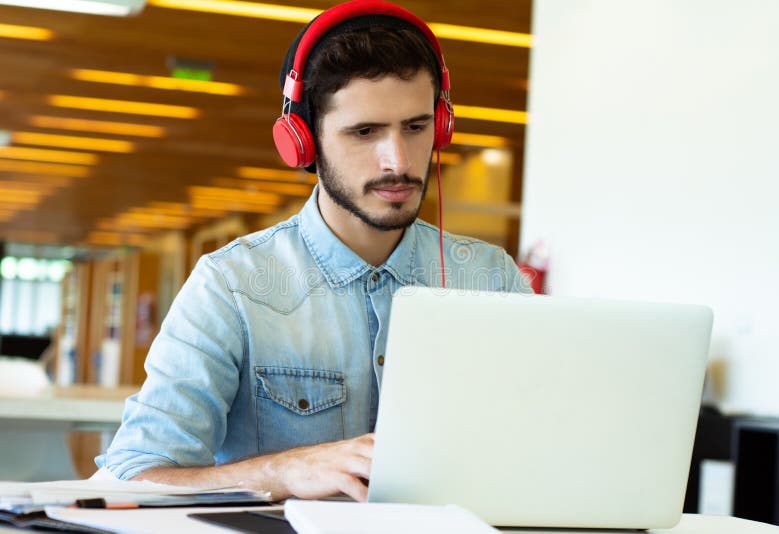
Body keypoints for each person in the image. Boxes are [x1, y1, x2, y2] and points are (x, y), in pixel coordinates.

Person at [97, 0, 531, 502]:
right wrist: (281, 472)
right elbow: (130, 477)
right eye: (364, 132)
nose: (399, 160)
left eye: (415, 128)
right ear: (302, 142)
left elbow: (545, 447)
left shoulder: (490, 279)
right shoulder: (233, 284)